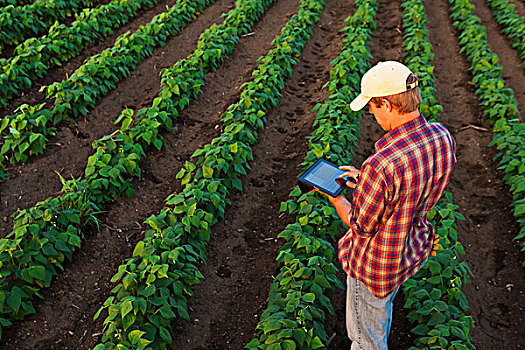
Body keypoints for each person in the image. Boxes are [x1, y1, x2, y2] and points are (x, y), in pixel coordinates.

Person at [315, 61, 456, 349]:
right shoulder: (442, 138)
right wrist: (364, 179)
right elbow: (408, 187)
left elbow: (360, 225)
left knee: (366, 338)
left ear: (387, 105)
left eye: (373, 106)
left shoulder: (382, 165)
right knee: (382, 311)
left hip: (375, 264)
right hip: (407, 247)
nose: (370, 112)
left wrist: (336, 196)